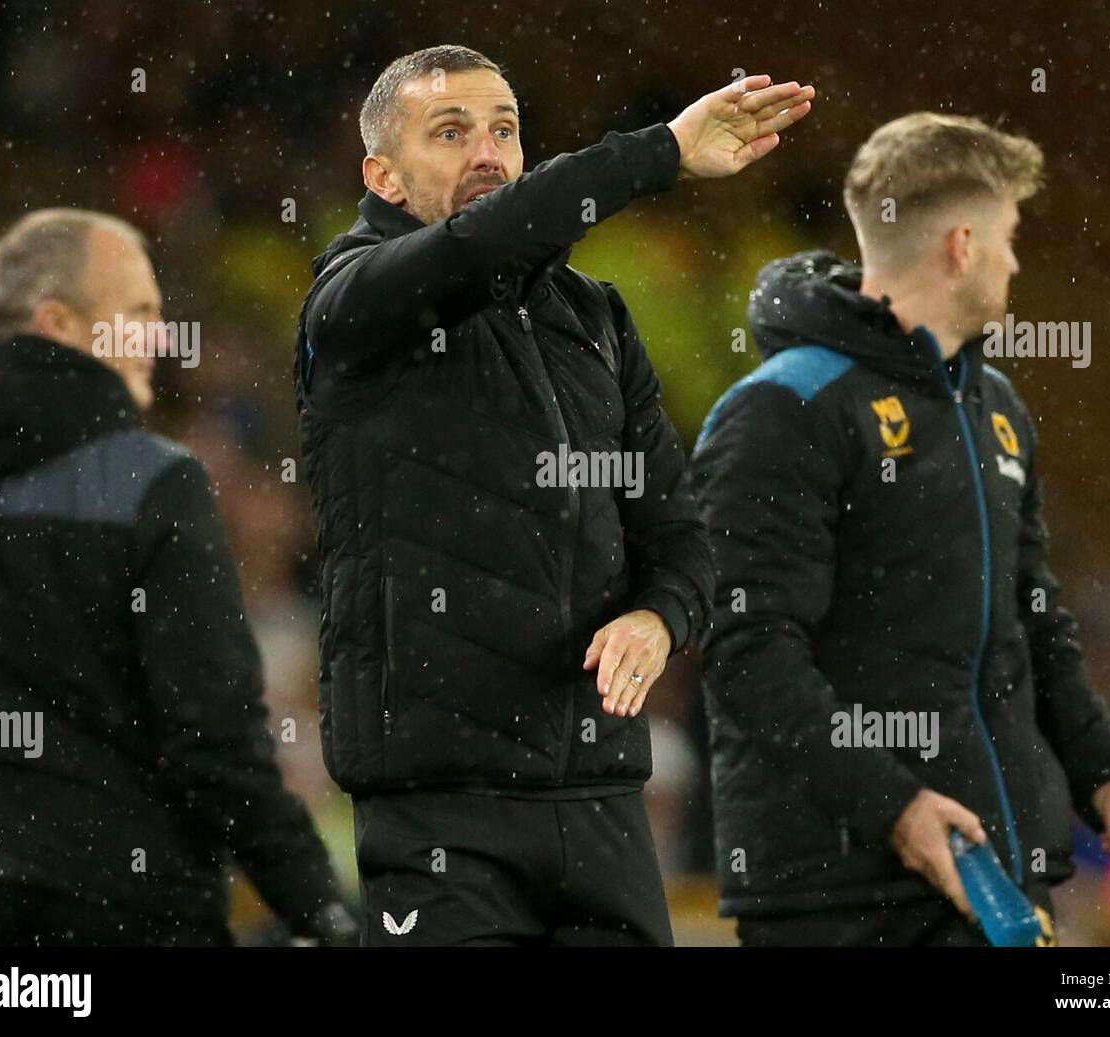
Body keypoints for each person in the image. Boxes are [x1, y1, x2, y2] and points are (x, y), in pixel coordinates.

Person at [293, 44, 812, 945]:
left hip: (601, 798)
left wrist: (659, 618)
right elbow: (477, 245)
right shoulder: (353, 303)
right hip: (440, 811)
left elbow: (684, 537)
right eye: (450, 132)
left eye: (505, 130)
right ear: (381, 173)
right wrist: (656, 154)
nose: (487, 152)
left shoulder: (598, 320)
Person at [692, 113, 1110, 947]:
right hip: (840, 896)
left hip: (995, 876)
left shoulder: (999, 413)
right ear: (961, 244)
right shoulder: (783, 407)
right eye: (1009, 236)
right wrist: (895, 806)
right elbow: (746, 647)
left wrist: (1106, 772)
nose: (1016, 261)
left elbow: (1035, 624)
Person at [0, 209, 355, 947]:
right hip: (123, 910)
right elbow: (215, 738)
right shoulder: (152, 481)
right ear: (59, 322)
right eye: (136, 313)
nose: (161, 340)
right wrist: (320, 905)